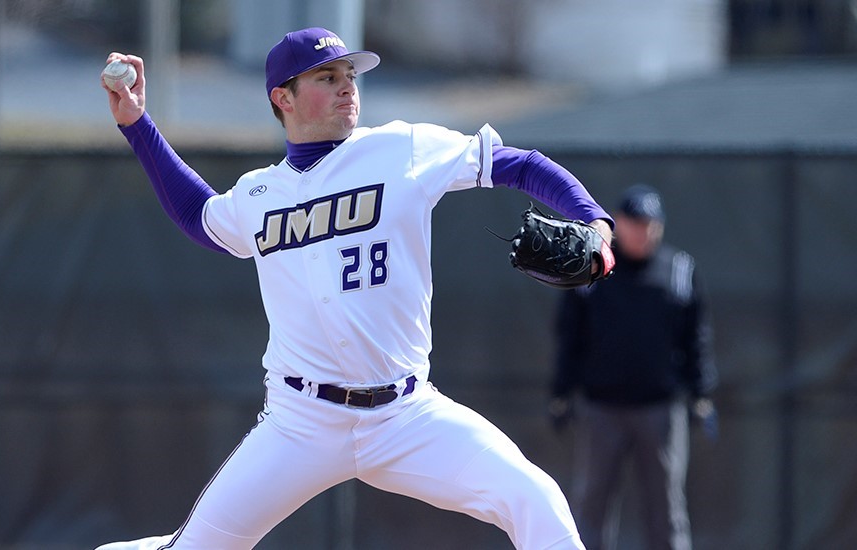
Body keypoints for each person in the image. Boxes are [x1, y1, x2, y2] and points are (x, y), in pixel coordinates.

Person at [97, 26, 615, 550]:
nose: (348, 87)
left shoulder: (401, 149)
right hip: (301, 422)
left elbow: (521, 165)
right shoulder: (259, 194)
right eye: (327, 77)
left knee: (533, 496)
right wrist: (137, 124)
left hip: (406, 415)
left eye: (350, 75)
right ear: (283, 97)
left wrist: (596, 224)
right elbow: (196, 214)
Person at [548, 184, 719, 550]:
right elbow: (570, 335)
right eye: (634, 222)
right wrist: (561, 392)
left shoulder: (679, 269)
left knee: (666, 507)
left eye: (649, 224)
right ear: (618, 223)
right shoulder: (595, 269)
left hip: (659, 410)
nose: (642, 231)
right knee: (591, 503)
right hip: (601, 409)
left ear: (659, 227)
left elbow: (697, 338)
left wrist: (701, 393)